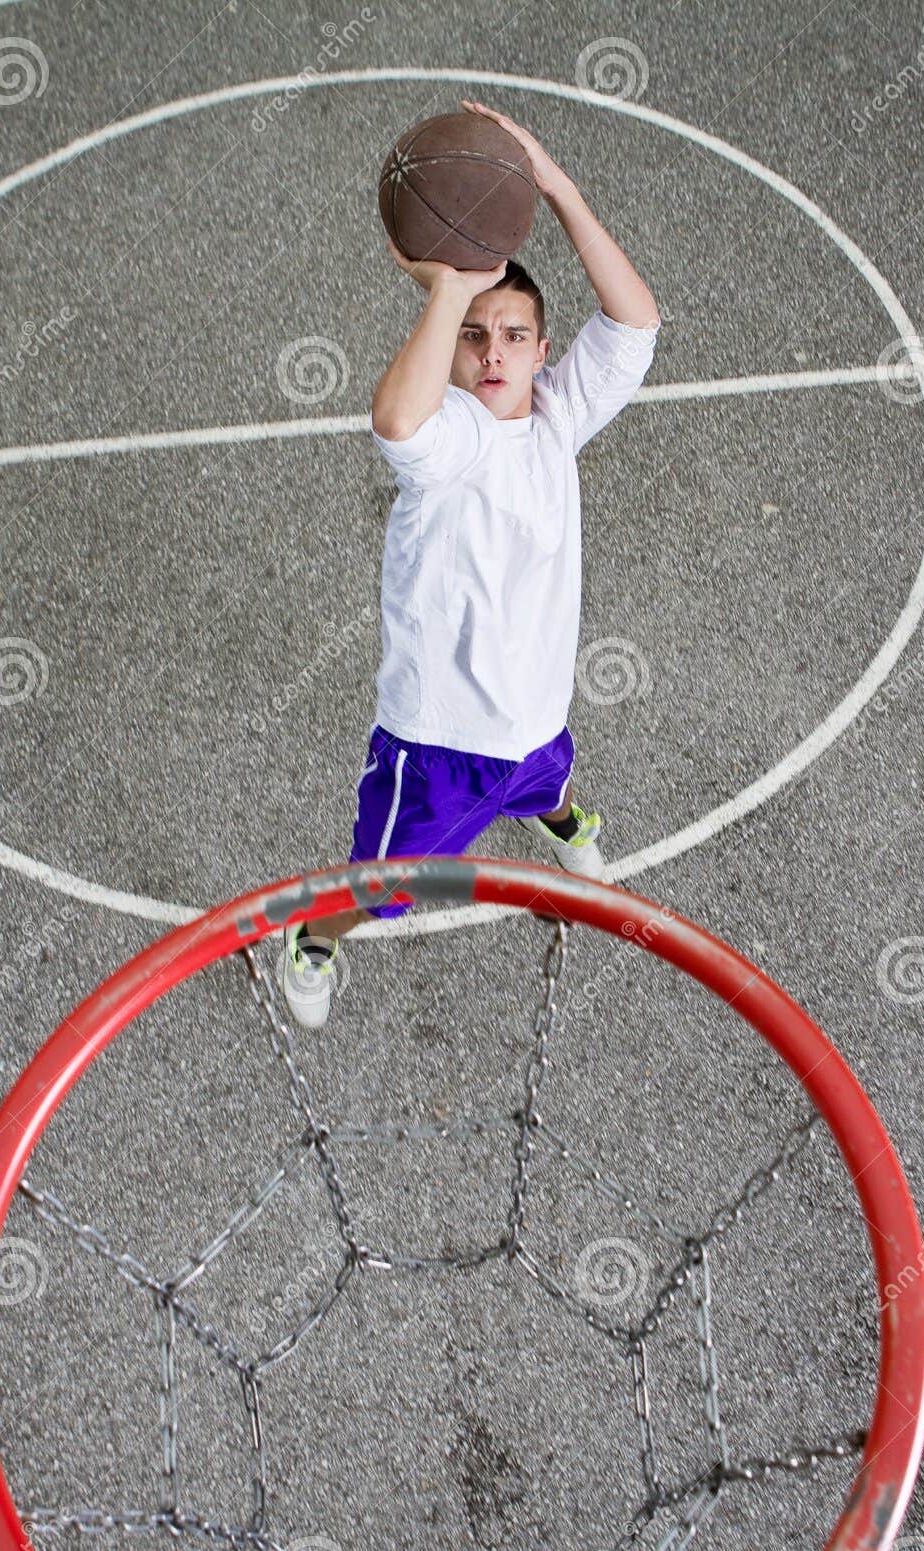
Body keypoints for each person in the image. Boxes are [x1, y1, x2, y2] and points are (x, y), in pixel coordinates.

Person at [281, 98, 660, 1028]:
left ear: (542, 350)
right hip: (440, 740)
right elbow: (395, 419)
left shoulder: (558, 417)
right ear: (449, 350)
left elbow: (635, 320)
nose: (494, 353)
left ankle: (564, 823)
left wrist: (554, 185)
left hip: (534, 713)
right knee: (383, 884)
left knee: (547, 783)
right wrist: (446, 286)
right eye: (473, 336)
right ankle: (312, 937)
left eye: (514, 335)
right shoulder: (450, 437)